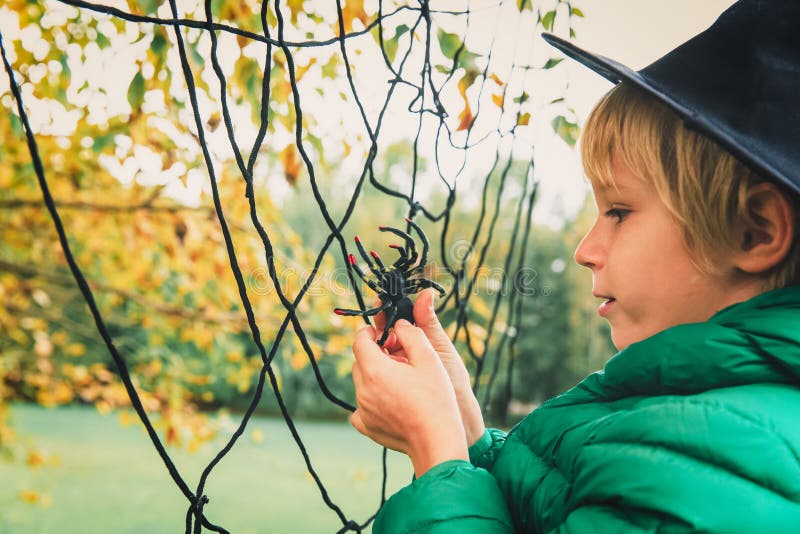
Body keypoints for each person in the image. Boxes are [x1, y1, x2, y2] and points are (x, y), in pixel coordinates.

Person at [349, 1, 800, 531]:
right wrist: (464, 432)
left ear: (756, 230)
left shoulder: (719, 453)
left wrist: (434, 452)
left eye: (619, 212)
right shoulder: (698, 422)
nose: (584, 249)